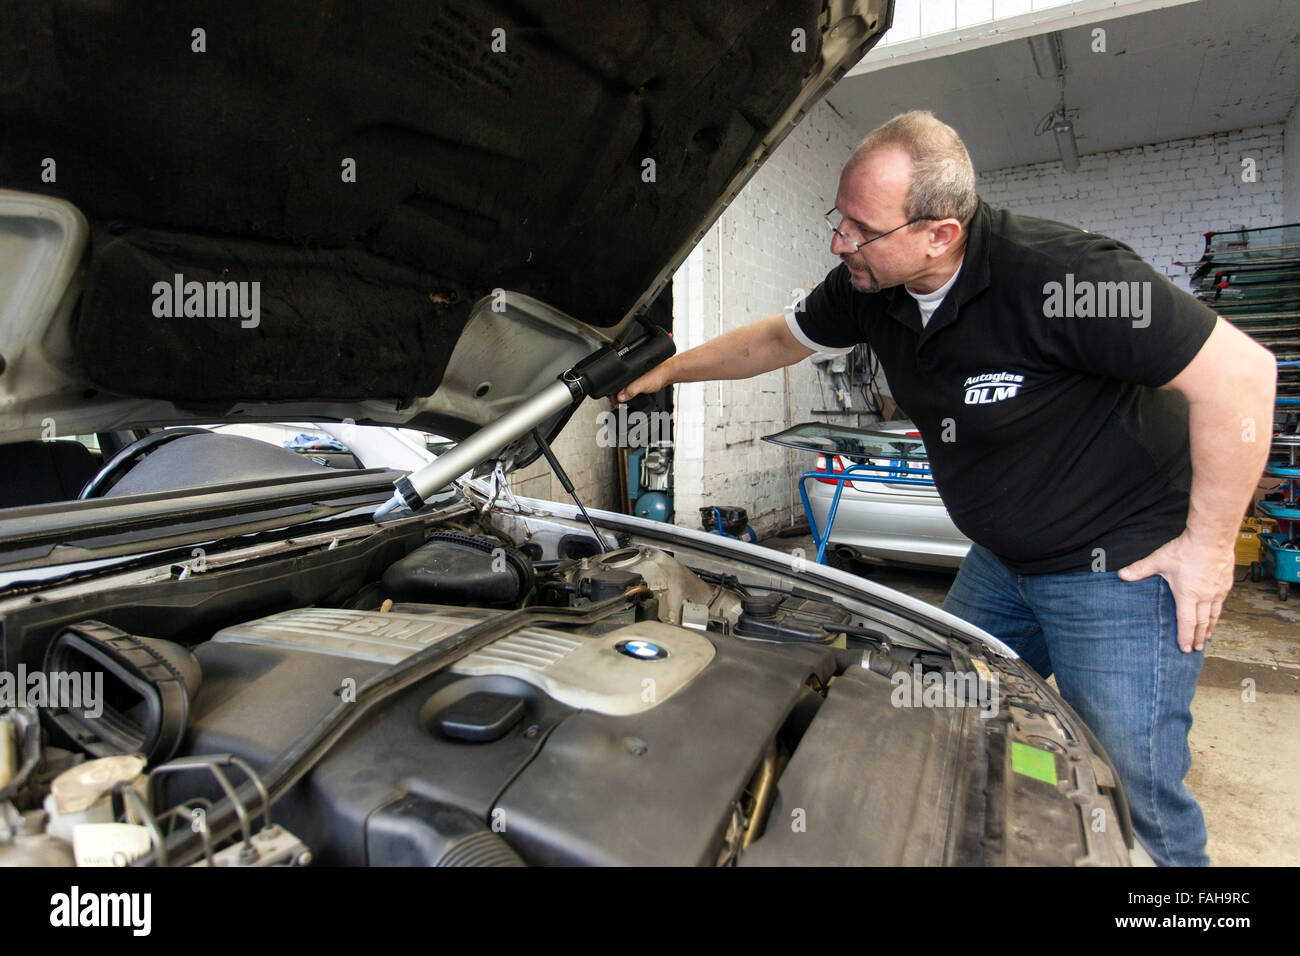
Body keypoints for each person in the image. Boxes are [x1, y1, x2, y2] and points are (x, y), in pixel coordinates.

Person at [617, 110, 1277, 866]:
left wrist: (1209, 547)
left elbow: (1242, 377)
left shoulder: (1065, 277)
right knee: (925, 705)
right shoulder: (870, 286)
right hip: (1001, 562)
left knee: (1134, 798)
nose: (839, 243)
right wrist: (667, 370)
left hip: (1120, 569)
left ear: (940, 235)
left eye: (860, 229)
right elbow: (776, 339)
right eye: (839, 219)